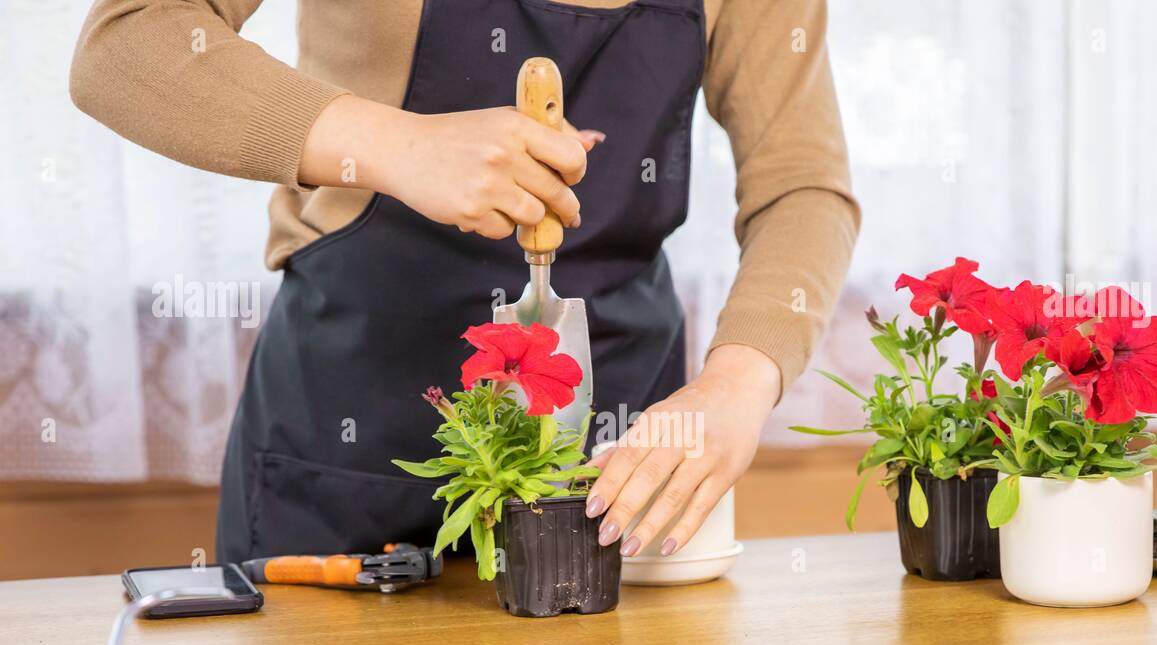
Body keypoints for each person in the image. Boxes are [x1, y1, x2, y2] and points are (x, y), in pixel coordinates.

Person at [70, 0, 859, 562]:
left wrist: (740, 381)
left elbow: (803, 185)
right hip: (352, 446)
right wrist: (391, 144)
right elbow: (128, 41)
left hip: (611, 458)